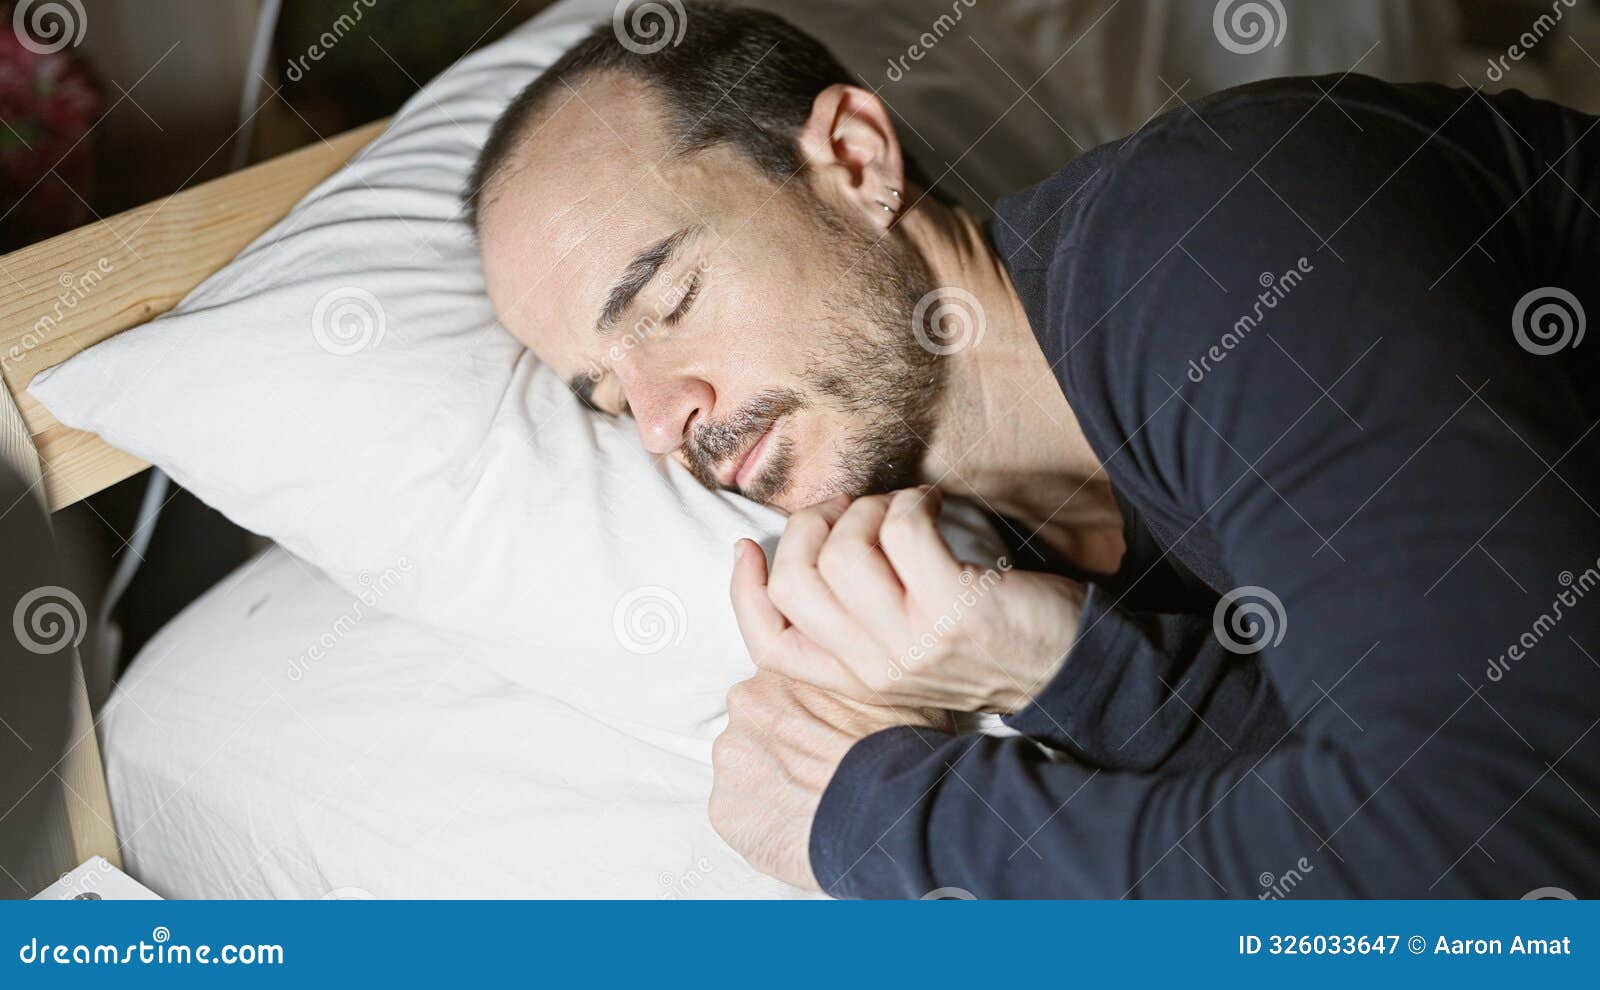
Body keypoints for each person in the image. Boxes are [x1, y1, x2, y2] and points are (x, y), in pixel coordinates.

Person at [468, 3, 1600, 897]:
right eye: (608, 399)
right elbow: (1364, 772)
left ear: (856, 161)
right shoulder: (1020, 544)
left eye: (668, 301)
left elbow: (1507, 855)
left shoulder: (1211, 244)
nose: (666, 422)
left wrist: (887, 813)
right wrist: (1073, 671)